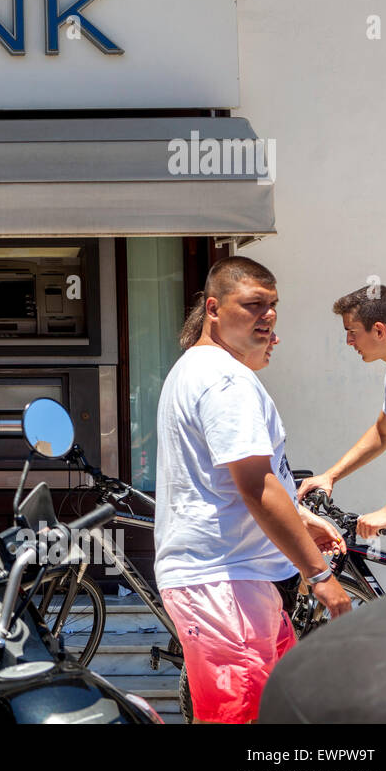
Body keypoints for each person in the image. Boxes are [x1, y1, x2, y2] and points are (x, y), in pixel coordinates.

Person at [156, 256, 349, 724]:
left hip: (235, 583)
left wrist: (302, 518)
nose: (268, 316)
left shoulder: (201, 369)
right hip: (225, 582)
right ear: (214, 309)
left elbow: (229, 481)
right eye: (254, 304)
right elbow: (256, 486)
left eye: (273, 305)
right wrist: (320, 576)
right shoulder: (225, 380)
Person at [296, 284, 386, 584]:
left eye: (352, 331)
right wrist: (331, 475)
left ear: (379, 330)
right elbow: (382, 432)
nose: (348, 340)